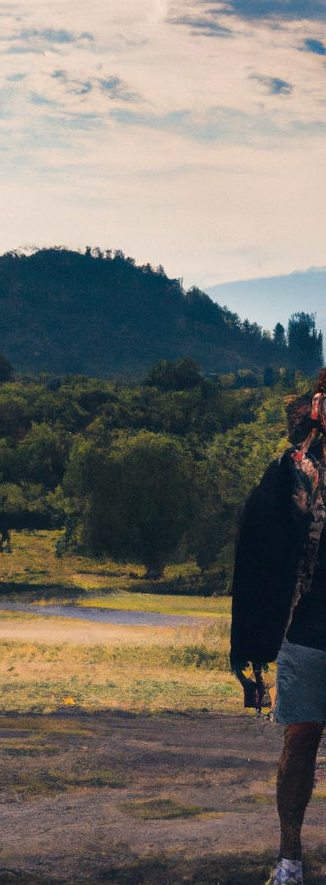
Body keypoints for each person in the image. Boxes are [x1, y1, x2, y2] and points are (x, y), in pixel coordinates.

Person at [232, 370, 326, 885]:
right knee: (300, 740)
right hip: (307, 627)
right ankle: (290, 860)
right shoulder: (296, 471)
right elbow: (261, 542)